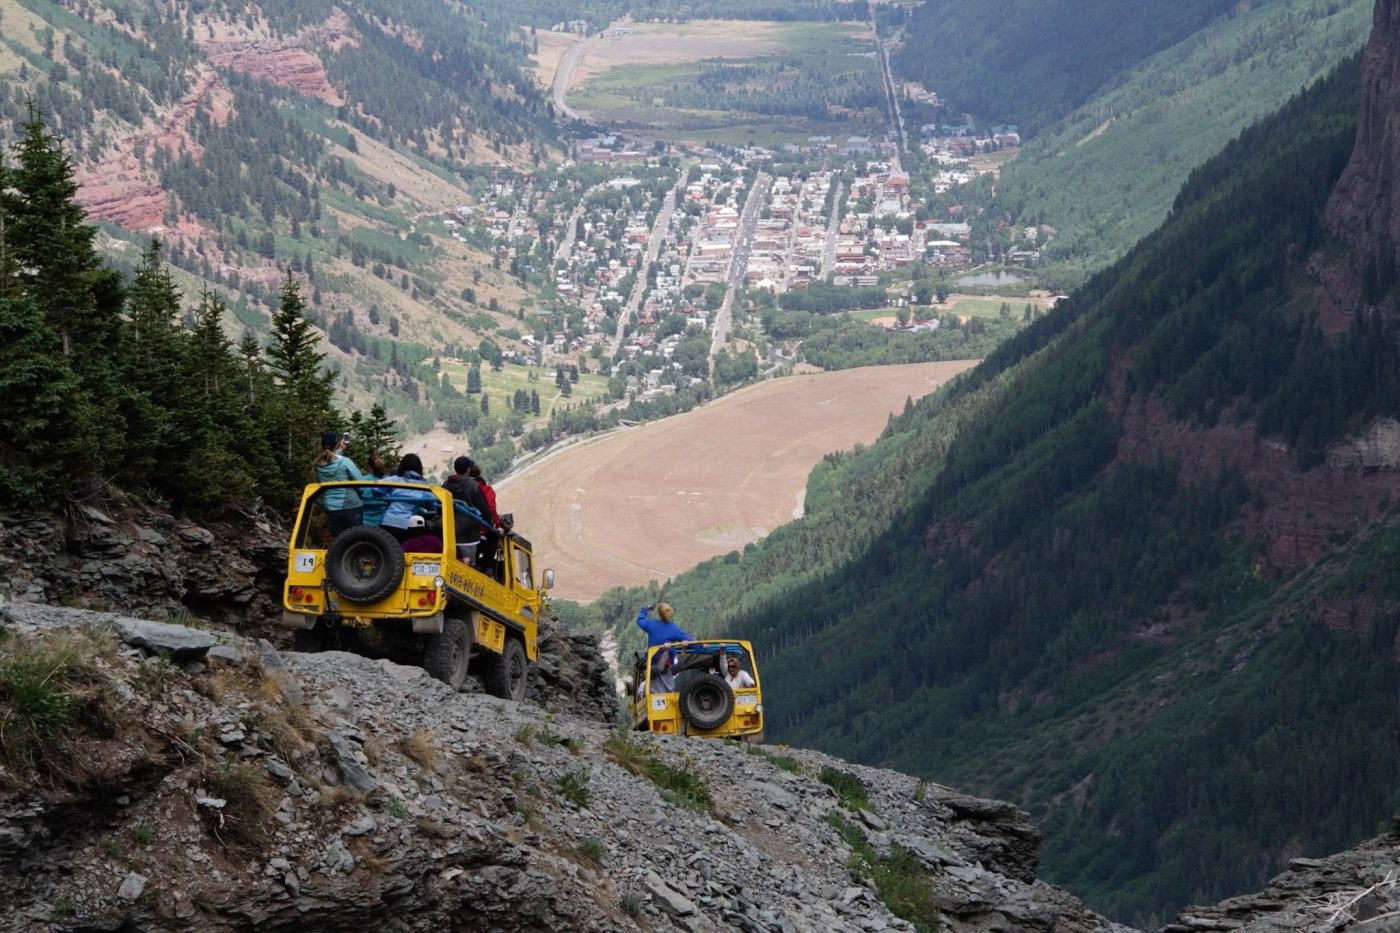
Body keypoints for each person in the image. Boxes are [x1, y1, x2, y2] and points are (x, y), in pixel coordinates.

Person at [314, 431, 364, 536]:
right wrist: (360, 493)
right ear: (336, 444)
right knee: (355, 539)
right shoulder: (345, 462)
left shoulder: (318, 464)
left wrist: (340, 450)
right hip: (351, 506)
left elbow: (331, 459)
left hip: (331, 508)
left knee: (339, 541)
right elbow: (360, 482)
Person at [443, 456, 492, 565]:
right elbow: (485, 509)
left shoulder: (446, 485)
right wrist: (488, 525)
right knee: (469, 567)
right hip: (469, 535)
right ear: (468, 470)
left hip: (450, 535)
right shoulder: (473, 486)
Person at [636, 603, 691, 692]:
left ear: (659, 613)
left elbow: (640, 621)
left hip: (654, 662)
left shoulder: (651, 624)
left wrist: (645, 610)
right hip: (664, 669)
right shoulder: (674, 629)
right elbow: (689, 641)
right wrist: (700, 645)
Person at [381, 453, 437, 536]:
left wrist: (388, 496)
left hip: (386, 523)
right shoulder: (424, 487)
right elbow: (433, 505)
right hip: (407, 526)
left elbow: (375, 488)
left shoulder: (395, 480)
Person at [360, 453, 391, 527]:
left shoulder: (361, 481)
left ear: (368, 467)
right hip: (381, 522)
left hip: (363, 521)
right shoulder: (387, 482)